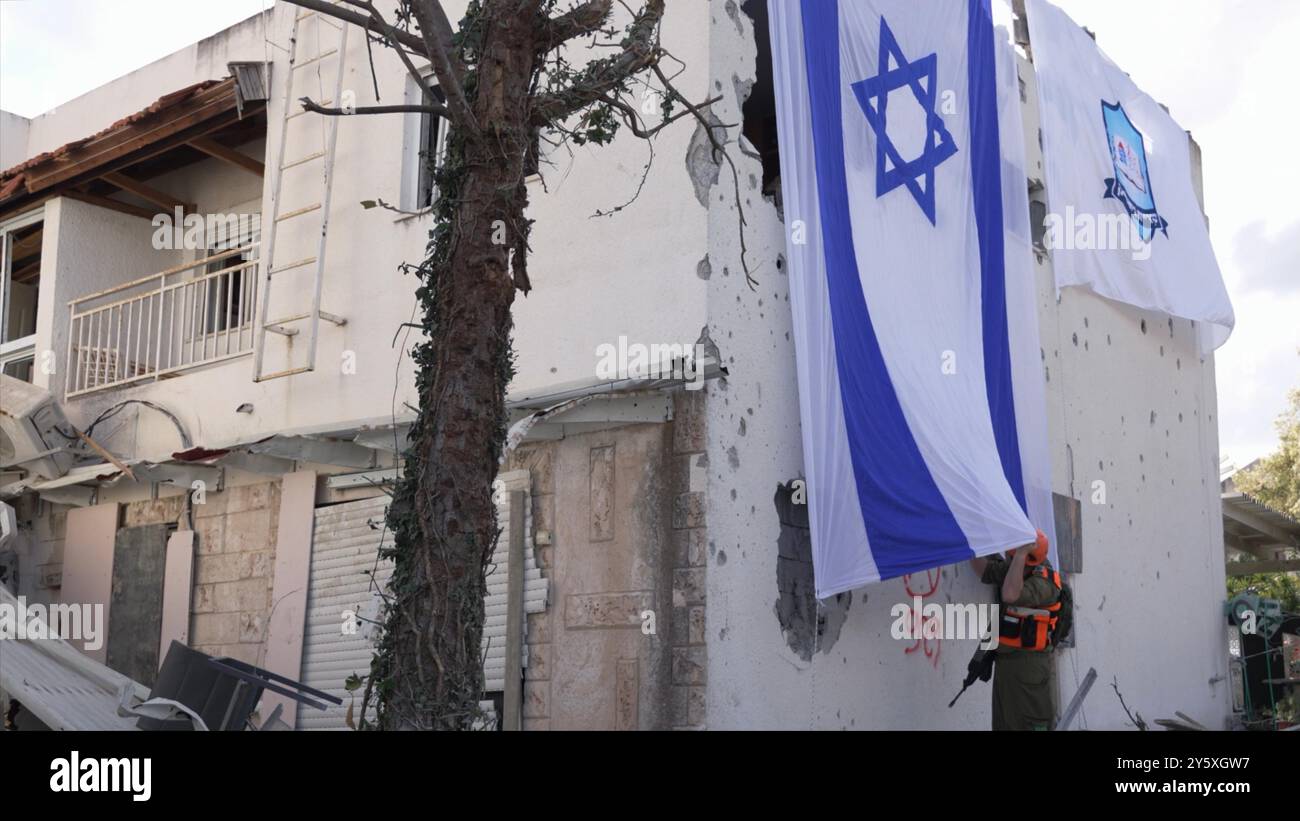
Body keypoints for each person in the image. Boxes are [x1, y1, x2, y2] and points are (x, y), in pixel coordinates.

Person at [970, 530, 1062, 731]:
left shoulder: (1044, 583)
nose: (1010, 559)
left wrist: (1020, 555)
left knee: (1029, 724)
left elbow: (1010, 594)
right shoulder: (1018, 569)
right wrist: (969, 540)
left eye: (1014, 556)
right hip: (1007, 666)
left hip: (1030, 668)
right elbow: (984, 571)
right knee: (1004, 724)